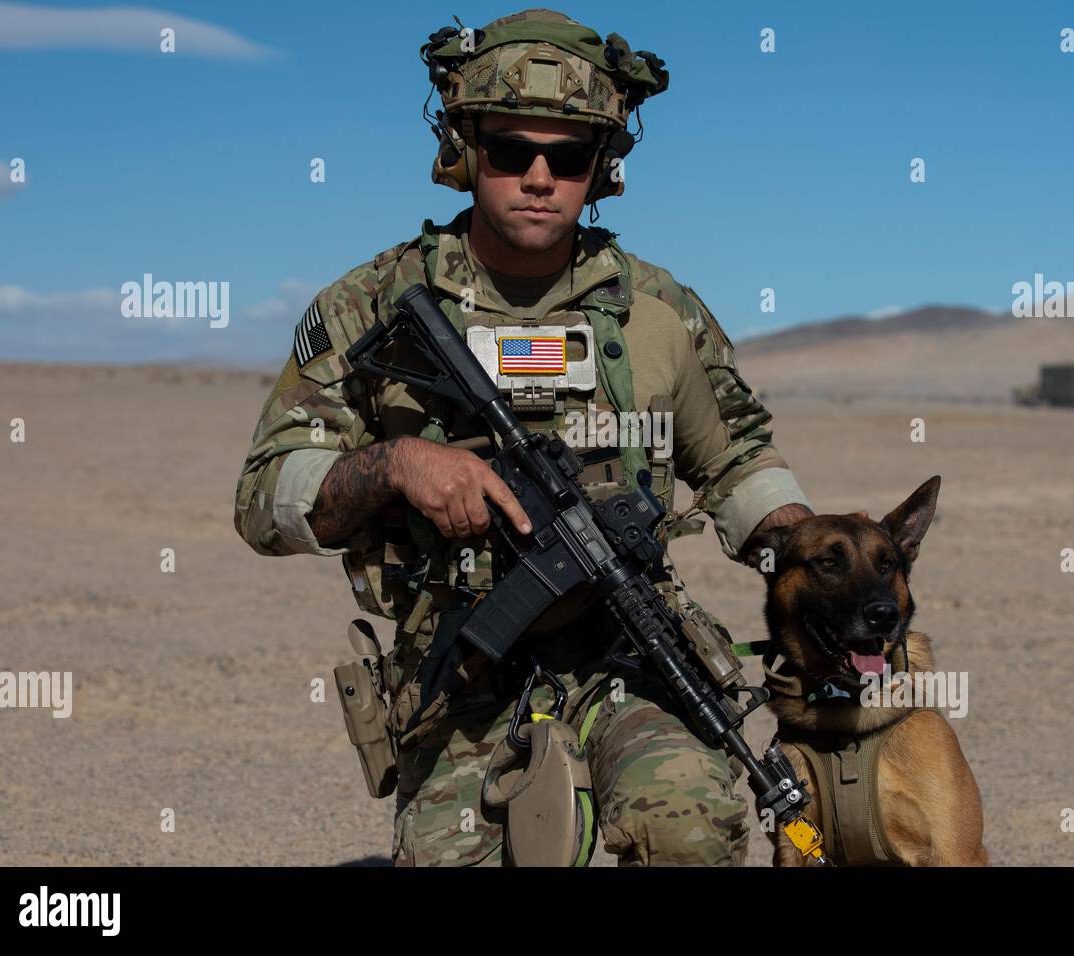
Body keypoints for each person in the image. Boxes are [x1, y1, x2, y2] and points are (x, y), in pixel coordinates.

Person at [234, 8, 814, 866]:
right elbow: (263, 498)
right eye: (511, 151)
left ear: (602, 168)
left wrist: (817, 550)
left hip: (631, 654)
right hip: (463, 672)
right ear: (466, 154)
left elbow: (735, 462)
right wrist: (397, 464)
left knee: (690, 827)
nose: (539, 177)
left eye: (569, 156)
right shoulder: (370, 305)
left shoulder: (660, 313)